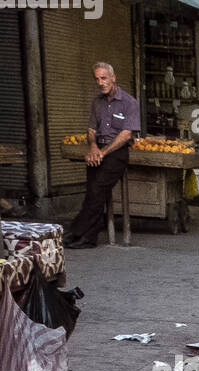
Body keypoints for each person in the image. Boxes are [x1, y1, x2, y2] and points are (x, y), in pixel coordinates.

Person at [64, 62, 141, 249]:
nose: (100, 82)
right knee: (92, 192)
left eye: (104, 78)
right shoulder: (97, 102)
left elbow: (126, 135)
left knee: (98, 189)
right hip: (97, 151)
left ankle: (77, 232)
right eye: (97, 79)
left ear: (113, 78)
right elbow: (91, 130)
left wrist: (103, 152)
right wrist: (93, 148)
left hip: (116, 154)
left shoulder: (129, 103)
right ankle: (87, 237)